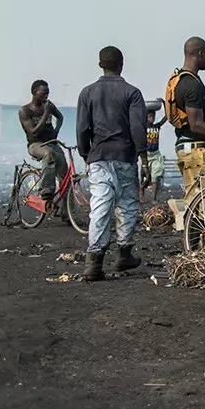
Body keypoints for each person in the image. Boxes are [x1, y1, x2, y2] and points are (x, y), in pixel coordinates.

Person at [76, 46, 149, 281]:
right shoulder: (132, 93)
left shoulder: (87, 93)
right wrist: (144, 158)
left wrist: (87, 154)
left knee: (100, 207)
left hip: (98, 157)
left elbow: (82, 129)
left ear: (100, 65)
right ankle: (123, 255)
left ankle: (94, 262)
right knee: (127, 205)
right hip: (125, 157)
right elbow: (138, 127)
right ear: (122, 64)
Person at [165, 36, 205, 226]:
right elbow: (196, 124)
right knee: (200, 201)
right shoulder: (192, 85)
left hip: (185, 146)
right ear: (199, 53)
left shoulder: (180, 79)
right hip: (196, 150)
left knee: (195, 197)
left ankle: (195, 244)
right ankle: (195, 246)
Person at [18, 80, 66, 206]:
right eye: (43, 93)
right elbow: (33, 133)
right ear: (34, 93)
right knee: (48, 154)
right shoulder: (25, 110)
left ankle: (67, 213)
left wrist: (56, 130)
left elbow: (60, 117)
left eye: (48, 93)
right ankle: (46, 191)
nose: (46, 96)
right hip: (35, 145)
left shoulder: (49, 106)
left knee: (66, 177)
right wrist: (46, 113)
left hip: (51, 143)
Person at [140, 109, 166, 204]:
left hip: (155, 154)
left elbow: (166, 118)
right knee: (145, 177)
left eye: (153, 116)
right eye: (149, 116)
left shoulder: (156, 126)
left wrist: (164, 103)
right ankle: (141, 192)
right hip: (146, 155)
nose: (152, 118)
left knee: (155, 176)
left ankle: (153, 198)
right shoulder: (143, 127)